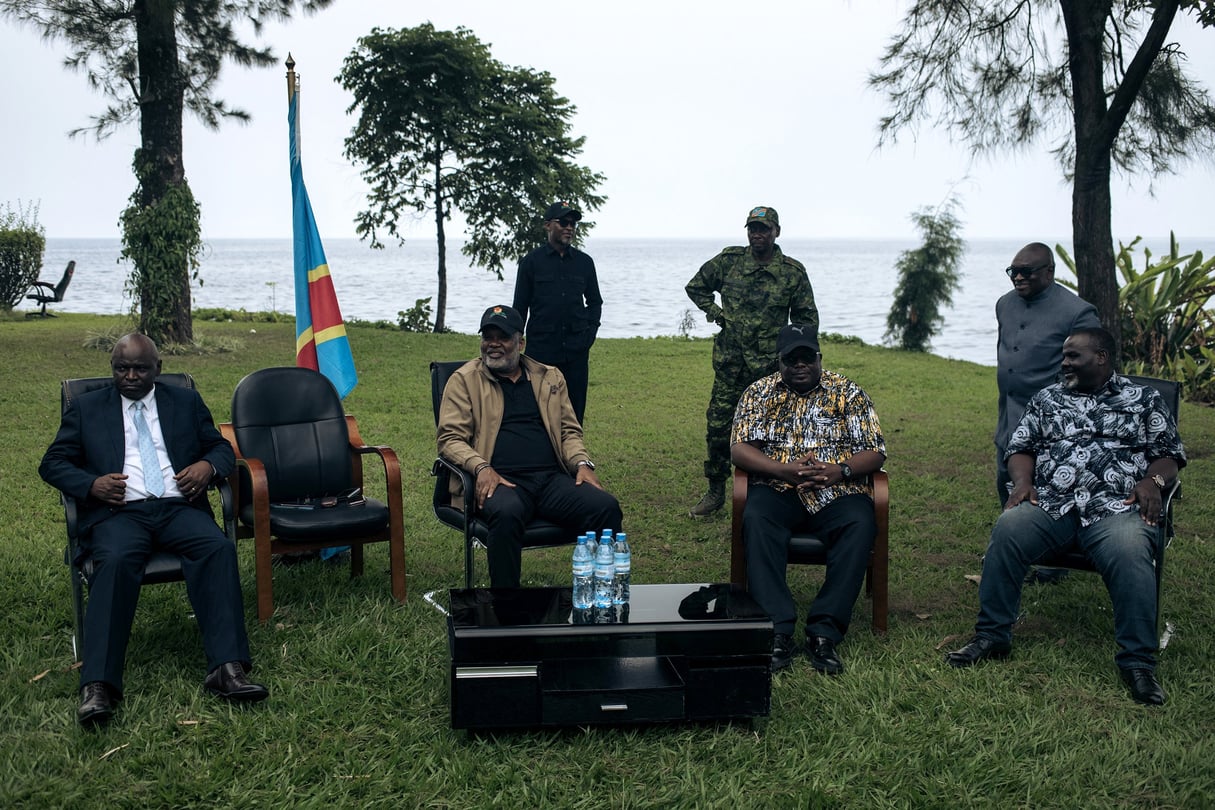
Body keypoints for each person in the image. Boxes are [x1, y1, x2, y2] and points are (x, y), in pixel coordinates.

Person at [946, 327, 1184, 706]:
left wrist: (1153, 482)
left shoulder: (1144, 399)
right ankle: (992, 636)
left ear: (1102, 357)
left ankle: (1137, 662)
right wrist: (1022, 482)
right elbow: (1020, 447)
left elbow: (1168, 454)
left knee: (1130, 550)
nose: (1064, 362)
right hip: (1053, 504)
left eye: (1073, 356)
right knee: (1009, 528)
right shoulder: (1048, 398)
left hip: (1116, 505)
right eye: (1064, 355)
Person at [40, 334, 267, 728]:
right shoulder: (88, 407)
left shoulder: (184, 401)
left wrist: (206, 468)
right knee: (114, 560)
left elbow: (221, 449)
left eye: (139, 368)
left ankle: (226, 669)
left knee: (217, 548)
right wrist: (92, 485)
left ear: (158, 369)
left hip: (178, 506)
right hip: (119, 513)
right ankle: (98, 685)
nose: (129, 376)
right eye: (120, 368)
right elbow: (53, 463)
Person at [731, 324, 886, 674]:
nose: (800, 365)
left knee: (860, 522)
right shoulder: (758, 393)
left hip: (837, 490)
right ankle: (777, 630)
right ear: (779, 361)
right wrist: (781, 470)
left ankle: (824, 632)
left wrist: (840, 470)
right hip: (777, 487)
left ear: (819, 357)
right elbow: (739, 449)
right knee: (756, 518)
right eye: (791, 359)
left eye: (807, 357)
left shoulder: (848, 393)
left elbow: (875, 452)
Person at [437, 304, 623, 587]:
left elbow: (568, 432)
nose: (494, 344)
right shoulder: (463, 380)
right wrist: (482, 467)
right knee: (507, 512)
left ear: (520, 342)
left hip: (550, 480)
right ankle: (507, 605)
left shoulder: (549, 377)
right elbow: (450, 439)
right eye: (488, 337)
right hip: (500, 482)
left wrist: (582, 464)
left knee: (605, 507)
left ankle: (602, 595)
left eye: (503, 337)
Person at [686, 205, 818, 518]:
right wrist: (717, 313)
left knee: (777, 430)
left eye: (764, 229)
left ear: (777, 232)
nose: (758, 235)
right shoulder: (729, 262)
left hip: (773, 369)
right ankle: (715, 490)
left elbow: (806, 319)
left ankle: (777, 488)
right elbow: (696, 286)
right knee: (718, 426)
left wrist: (796, 353)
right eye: (753, 229)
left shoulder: (791, 271)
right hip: (732, 363)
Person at [513, 201, 603, 424]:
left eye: (573, 223)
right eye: (563, 222)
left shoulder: (585, 263)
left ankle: (573, 457)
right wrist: (514, 343)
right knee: (539, 410)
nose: (569, 227)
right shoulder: (531, 263)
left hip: (576, 351)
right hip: (541, 351)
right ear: (547, 225)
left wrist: (589, 335)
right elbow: (519, 307)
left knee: (574, 411)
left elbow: (595, 302)